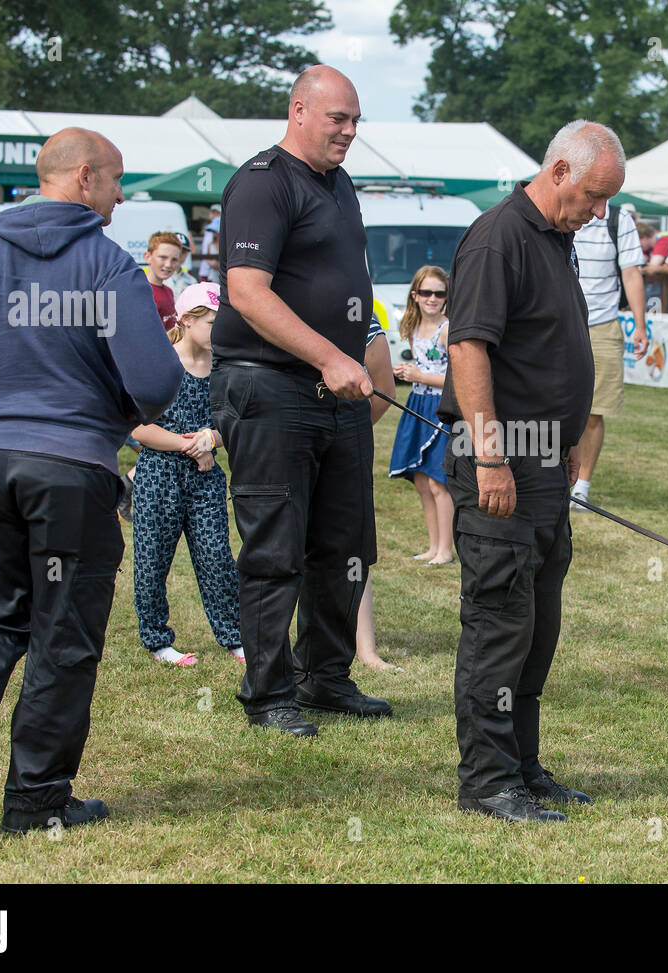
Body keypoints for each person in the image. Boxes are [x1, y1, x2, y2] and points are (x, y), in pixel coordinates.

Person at [0, 127, 184, 835]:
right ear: (85, 177)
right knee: (64, 630)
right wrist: (104, 420)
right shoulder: (107, 263)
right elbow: (156, 379)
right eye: (118, 181)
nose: (123, 197)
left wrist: (2, 413)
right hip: (74, 468)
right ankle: (36, 798)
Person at [439, 119, 622, 823]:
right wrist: (489, 451)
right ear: (559, 173)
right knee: (499, 621)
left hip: (547, 460)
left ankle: (521, 765)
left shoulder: (558, 240)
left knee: (537, 626)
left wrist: (570, 436)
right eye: (595, 195)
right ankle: (487, 780)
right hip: (503, 460)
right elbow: (469, 349)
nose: (598, 211)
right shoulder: (498, 237)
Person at [209, 65, 389, 737]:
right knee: (274, 545)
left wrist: (366, 350)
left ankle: (326, 677)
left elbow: (348, 284)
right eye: (337, 118)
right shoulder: (261, 183)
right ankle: (268, 691)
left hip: (339, 391)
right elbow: (248, 292)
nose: (347, 131)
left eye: (354, 121)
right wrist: (327, 355)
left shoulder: (339, 186)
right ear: (298, 112)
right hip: (267, 385)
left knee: (346, 543)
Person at [131, 282, 241, 667]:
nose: (219, 330)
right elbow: (139, 427)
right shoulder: (161, 363)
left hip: (206, 477)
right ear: (188, 320)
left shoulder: (225, 367)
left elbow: (233, 420)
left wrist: (212, 438)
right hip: (159, 474)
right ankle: (157, 639)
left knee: (216, 557)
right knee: (152, 558)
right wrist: (189, 446)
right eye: (212, 322)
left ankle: (234, 634)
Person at [570, 199, 648, 509]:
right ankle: (554, 476)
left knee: (593, 411)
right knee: (552, 405)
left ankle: (582, 487)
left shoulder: (618, 219)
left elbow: (631, 274)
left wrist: (640, 325)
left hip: (602, 325)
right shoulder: (560, 210)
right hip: (558, 323)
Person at [389, 265, 455, 564]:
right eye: (426, 292)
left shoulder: (448, 329)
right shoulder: (413, 328)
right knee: (419, 480)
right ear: (415, 295)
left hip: (441, 409)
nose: (432, 298)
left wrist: (420, 375)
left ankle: (445, 550)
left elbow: (458, 378)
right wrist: (405, 374)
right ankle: (432, 546)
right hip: (417, 404)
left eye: (439, 293)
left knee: (437, 481)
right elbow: (421, 371)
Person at [356, 313, 399, 671]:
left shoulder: (360, 313)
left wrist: (348, 432)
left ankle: (366, 649)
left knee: (354, 550)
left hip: (344, 448)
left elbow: (383, 387)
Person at [143, 230, 181, 332]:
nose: (168, 264)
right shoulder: (141, 292)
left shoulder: (169, 291)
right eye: (163, 257)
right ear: (148, 257)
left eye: (174, 260)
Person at [163, 232, 198, 298]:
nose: (178, 255)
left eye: (183, 252)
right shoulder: (159, 277)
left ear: (187, 254)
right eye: (175, 250)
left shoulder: (192, 281)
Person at [198, 203, 221, 281]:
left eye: (217, 213)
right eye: (213, 212)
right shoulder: (208, 231)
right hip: (206, 272)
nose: (214, 215)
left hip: (217, 276)